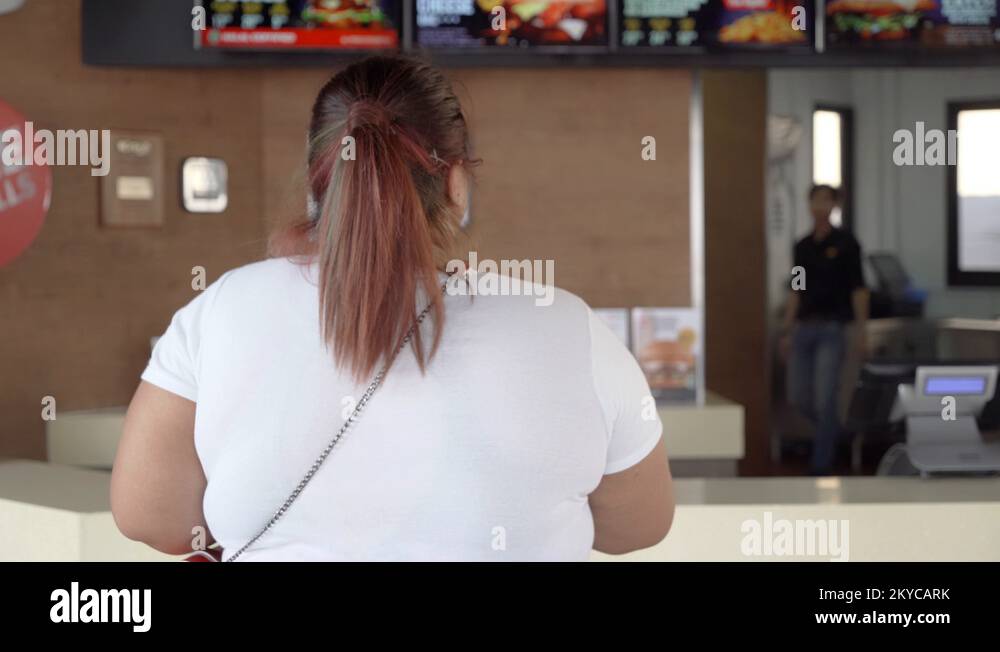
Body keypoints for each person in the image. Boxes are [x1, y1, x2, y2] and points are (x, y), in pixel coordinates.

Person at [110, 55, 674, 561]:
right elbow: (639, 527)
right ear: (456, 184)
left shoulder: (222, 310)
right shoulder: (567, 324)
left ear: (318, 184)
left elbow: (150, 517)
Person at [780, 184, 868, 475]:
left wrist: (862, 329)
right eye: (815, 200)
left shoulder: (846, 244)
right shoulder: (802, 247)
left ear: (834, 205)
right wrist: (787, 329)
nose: (819, 206)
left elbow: (858, 289)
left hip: (833, 327)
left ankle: (821, 464)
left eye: (825, 201)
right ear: (809, 205)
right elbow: (797, 289)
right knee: (798, 397)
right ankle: (834, 436)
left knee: (825, 395)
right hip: (805, 327)